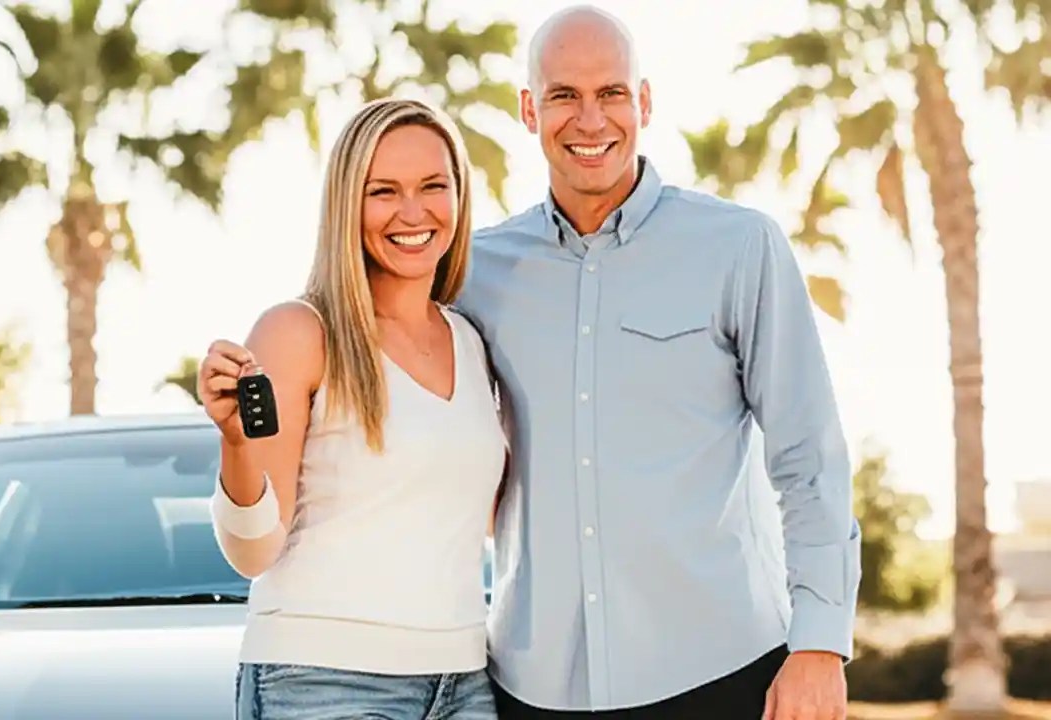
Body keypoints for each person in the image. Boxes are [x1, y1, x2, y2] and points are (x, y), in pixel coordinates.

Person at [452, 6, 861, 720]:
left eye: (611, 93)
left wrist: (820, 646)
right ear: (528, 109)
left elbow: (808, 456)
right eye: (562, 96)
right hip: (533, 687)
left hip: (723, 673)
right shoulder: (476, 271)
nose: (590, 120)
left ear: (643, 102)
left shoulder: (738, 248)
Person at [197, 97, 508, 720]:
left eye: (433, 186)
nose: (413, 212)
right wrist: (235, 443)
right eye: (383, 191)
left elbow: (492, 523)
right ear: (347, 204)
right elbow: (252, 553)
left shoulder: (472, 341)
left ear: (459, 196)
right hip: (323, 679)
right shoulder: (299, 332)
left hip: (464, 679)